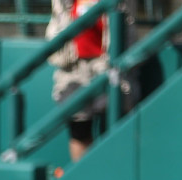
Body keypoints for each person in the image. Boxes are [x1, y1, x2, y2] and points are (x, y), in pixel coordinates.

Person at [45, 0, 135, 162]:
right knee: (79, 129)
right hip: (72, 65)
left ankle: (115, 179)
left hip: (110, 64)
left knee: (116, 125)